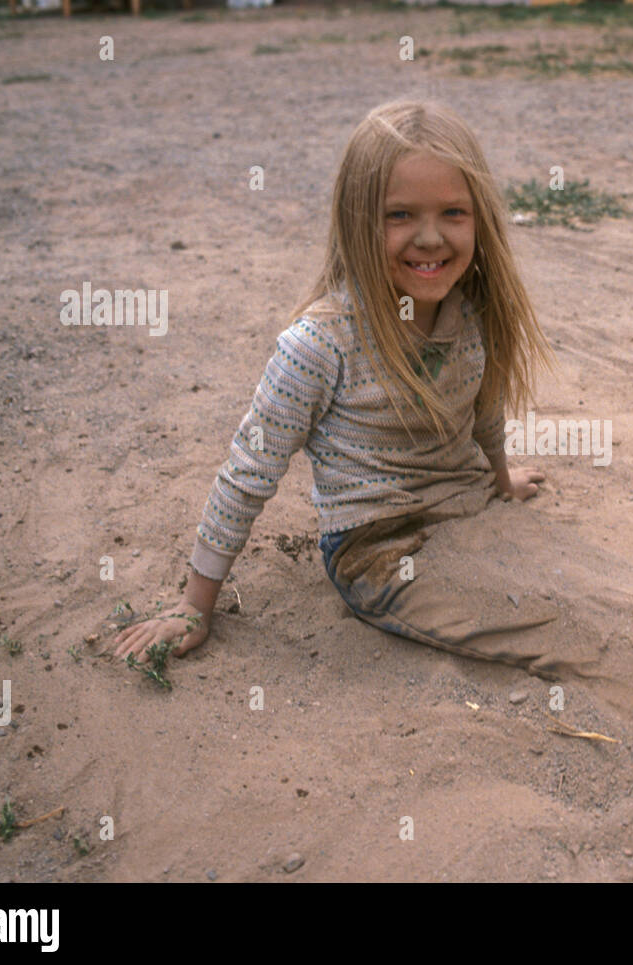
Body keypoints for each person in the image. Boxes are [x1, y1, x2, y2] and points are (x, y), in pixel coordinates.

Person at [113, 98, 565, 673]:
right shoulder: (318, 346)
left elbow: (486, 404)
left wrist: (501, 478)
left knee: (566, 598)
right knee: (536, 634)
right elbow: (247, 474)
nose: (430, 238)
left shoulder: (472, 311)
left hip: (467, 508)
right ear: (357, 220)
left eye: (453, 212)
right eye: (399, 215)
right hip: (378, 549)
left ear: (481, 218)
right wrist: (194, 606)